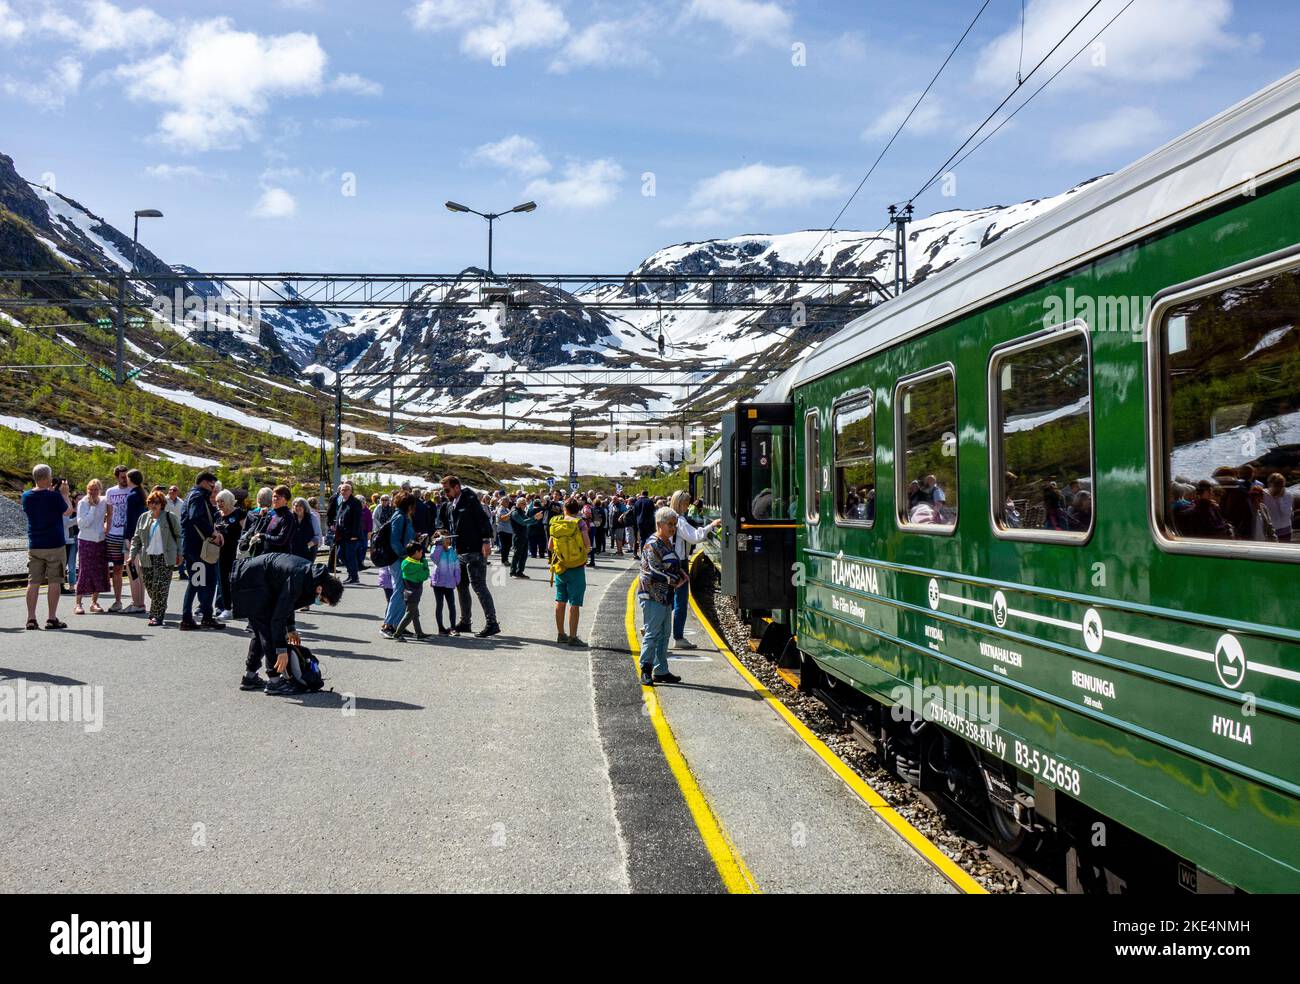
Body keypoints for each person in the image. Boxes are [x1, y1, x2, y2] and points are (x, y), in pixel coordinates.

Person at [231, 551, 344, 694]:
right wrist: (281, 650)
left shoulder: (313, 578)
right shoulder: (300, 577)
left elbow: (288, 604)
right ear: (320, 589)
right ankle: (274, 682)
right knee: (267, 632)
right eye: (322, 600)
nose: (319, 602)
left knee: (260, 632)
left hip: (258, 581)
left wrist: (291, 628)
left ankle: (249, 677)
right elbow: (278, 619)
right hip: (252, 583)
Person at [436, 475, 500, 638]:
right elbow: (443, 523)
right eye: (443, 491)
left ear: (457, 487)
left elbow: (483, 521)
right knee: (461, 586)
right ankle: (465, 622)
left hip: (474, 550)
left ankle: (492, 623)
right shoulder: (450, 504)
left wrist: (486, 541)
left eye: (447, 490)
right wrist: (442, 533)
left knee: (478, 586)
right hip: (459, 551)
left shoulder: (470, 500)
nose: (445, 493)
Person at [638, 507, 688, 686]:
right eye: (670, 524)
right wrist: (675, 580)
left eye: (674, 524)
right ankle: (646, 669)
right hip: (652, 594)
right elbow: (654, 570)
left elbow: (671, 563)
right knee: (652, 633)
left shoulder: (667, 542)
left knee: (665, 633)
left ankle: (661, 670)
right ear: (659, 524)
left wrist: (681, 573)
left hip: (665, 594)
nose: (673, 528)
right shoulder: (653, 544)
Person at [667, 490, 721, 649]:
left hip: (667, 562)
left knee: (667, 597)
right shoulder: (679, 520)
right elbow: (694, 537)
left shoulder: (665, 517)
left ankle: (652, 625)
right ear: (680, 503)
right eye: (686, 503)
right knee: (681, 601)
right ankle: (678, 637)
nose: (688, 506)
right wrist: (711, 525)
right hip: (679, 563)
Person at [22, 464, 73, 630]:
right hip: (55, 544)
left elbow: (38, 499)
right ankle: (51, 618)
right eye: (50, 477)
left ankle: (31, 618)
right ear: (46, 479)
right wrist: (64, 494)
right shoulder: (55, 497)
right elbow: (68, 511)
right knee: (55, 581)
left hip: (35, 544)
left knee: (33, 581)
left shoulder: (26, 496)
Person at [179, 470, 225, 631]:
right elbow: (196, 517)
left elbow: (209, 515)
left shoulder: (195, 496)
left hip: (194, 547)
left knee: (201, 582)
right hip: (197, 548)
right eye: (211, 483)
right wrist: (213, 533)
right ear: (203, 482)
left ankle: (203, 616)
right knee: (197, 583)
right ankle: (189, 618)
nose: (213, 487)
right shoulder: (197, 496)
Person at [129, 489, 182, 626]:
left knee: (160, 586)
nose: (154, 505)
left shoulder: (170, 517)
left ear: (162, 504)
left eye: (157, 502)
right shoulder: (143, 518)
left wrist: (180, 554)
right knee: (151, 588)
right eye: (151, 502)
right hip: (147, 558)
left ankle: (156, 616)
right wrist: (132, 556)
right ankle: (160, 605)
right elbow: (136, 539)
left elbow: (179, 536)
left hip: (165, 557)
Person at [549, 497, 591, 646]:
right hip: (577, 568)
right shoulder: (580, 523)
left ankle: (561, 634)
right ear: (578, 510)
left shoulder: (556, 523)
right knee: (575, 602)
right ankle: (573, 636)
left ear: (564, 509)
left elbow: (550, 547)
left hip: (561, 566)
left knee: (560, 600)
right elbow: (587, 545)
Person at [105, 466, 147, 613]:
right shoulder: (141, 494)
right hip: (141, 537)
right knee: (138, 572)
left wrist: (128, 539)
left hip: (131, 537)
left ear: (131, 479)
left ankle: (136, 603)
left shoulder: (131, 496)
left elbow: (129, 520)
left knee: (132, 572)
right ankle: (140, 603)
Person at [381, 490, 418, 637]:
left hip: (402, 558)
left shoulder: (403, 517)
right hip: (399, 559)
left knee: (402, 591)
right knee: (399, 590)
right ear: (408, 504)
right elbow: (395, 540)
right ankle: (388, 625)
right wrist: (404, 554)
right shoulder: (400, 517)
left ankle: (398, 624)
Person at [74, 478, 110, 614]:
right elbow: (82, 524)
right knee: (85, 571)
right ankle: (78, 604)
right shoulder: (83, 503)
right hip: (86, 540)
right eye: (91, 489)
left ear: (100, 490)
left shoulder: (104, 501)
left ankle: (94, 602)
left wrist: (107, 526)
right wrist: (93, 508)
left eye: (96, 489)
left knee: (99, 571)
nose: (93, 492)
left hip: (100, 540)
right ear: (87, 490)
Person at [214, 489, 246, 620]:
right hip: (221, 553)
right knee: (223, 581)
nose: (219, 504)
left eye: (222, 501)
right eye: (217, 501)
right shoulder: (217, 515)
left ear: (228, 501)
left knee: (237, 580)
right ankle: (227, 608)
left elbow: (246, 532)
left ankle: (241, 608)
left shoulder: (239, 514)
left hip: (236, 553)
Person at [393, 539, 430, 642]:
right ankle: (398, 633)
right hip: (413, 593)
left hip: (409, 592)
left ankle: (419, 633)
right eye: (421, 551)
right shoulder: (417, 565)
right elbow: (425, 575)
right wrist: (425, 564)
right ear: (416, 553)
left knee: (415, 614)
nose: (422, 553)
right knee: (410, 614)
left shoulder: (407, 562)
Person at [430, 531, 460, 635]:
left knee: (452, 605)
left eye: (448, 537)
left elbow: (457, 565)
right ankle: (441, 628)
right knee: (440, 605)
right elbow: (434, 558)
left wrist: (457, 579)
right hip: (438, 582)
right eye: (445, 538)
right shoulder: (435, 549)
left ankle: (453, 628)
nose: (448, 539)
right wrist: (438, 545)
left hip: (449, 582)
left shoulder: (452, 550)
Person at [1263, 473, 1294, 542]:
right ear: (1269, 484)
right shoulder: (1263, 495)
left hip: (1285, 530)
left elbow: (1287, 513)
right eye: (1276, 485)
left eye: (1281, 485)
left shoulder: (1288, 495)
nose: (1279, 488)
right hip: (1270, 530)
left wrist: (1280, 498)